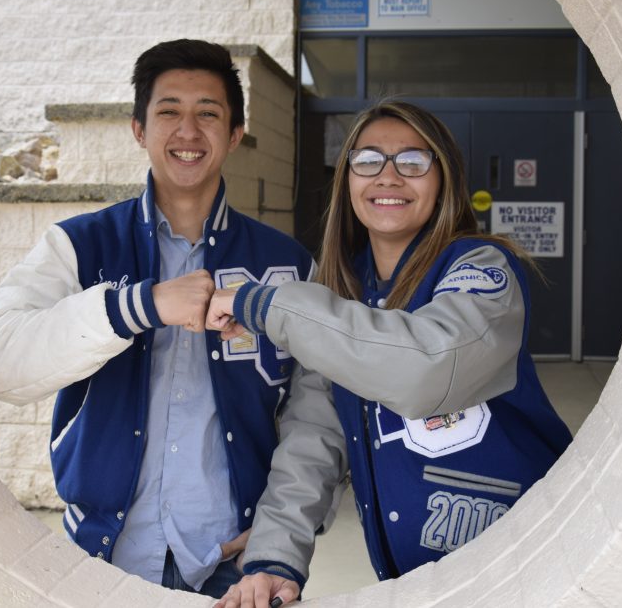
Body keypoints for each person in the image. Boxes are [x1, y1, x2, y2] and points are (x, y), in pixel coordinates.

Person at [0, 39, 314, 598]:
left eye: (208, 113)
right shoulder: (79, 245)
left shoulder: (287, 264)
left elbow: (313, 417)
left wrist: (283, 536)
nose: (187, 131)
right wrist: (137, 306)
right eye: (168, 112)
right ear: (138, 129)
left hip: (236, 563)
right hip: (104, 558)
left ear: (233, 135)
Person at [205, 101, 573, 607]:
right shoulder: (342, 295)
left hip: (522, 566)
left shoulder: (480, 267)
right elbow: (315, 436)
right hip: (414, 581)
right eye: (368, 159)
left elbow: (425, 367)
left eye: (413, 162)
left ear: (444, 178)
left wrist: (264, 304)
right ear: (347, 178)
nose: (389, 176)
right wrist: (275, 557)